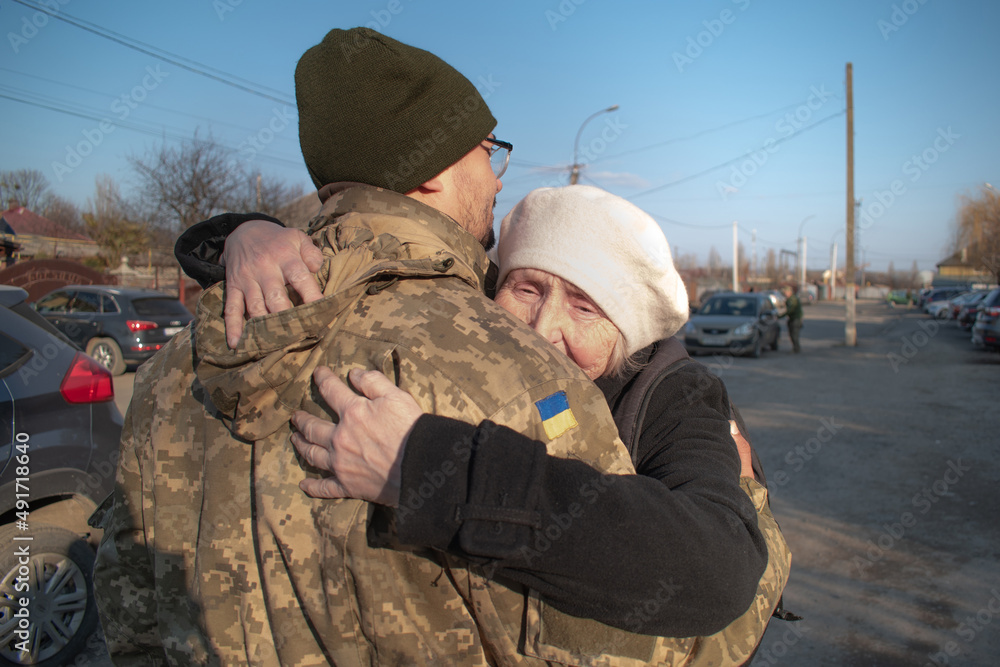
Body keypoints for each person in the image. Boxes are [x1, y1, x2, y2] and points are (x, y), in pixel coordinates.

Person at [92, 28, 638, 666]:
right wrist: (743, 501)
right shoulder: (514, 372)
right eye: (489, 152)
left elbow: (130, 620)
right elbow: (640, 630)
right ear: (434, 170)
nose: (495, 181)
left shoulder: (172, 372)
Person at [183, 186, 790, 664]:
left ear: (628, 329)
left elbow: (718, 565)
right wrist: (246, 233)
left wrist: (421, 467)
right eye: (526, 288)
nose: (542, 327)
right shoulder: (480, 339)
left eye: (585, 306)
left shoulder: (674, 395)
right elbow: (401, 250)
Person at [783, 284, 804, 353]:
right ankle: (795, 348)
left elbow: (790, 310)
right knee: (792, 334)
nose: (784, 293)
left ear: (789, 292)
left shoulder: (792, 299)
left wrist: (779, 316)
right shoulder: (790, 299)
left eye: (785, 292)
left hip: (795, 319)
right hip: (793, 319)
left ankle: (796, 349)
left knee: (794, 334)